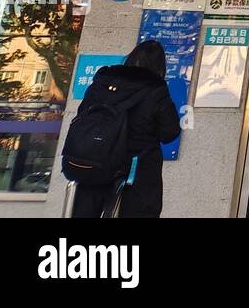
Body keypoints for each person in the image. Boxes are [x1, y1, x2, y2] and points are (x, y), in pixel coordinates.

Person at [68, 40, 181, 218]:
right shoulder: (156, 89)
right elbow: (170, 133)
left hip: (94, 161)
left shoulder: (102, 82)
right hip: (135, 168)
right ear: (160, 66)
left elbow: (83, 113)